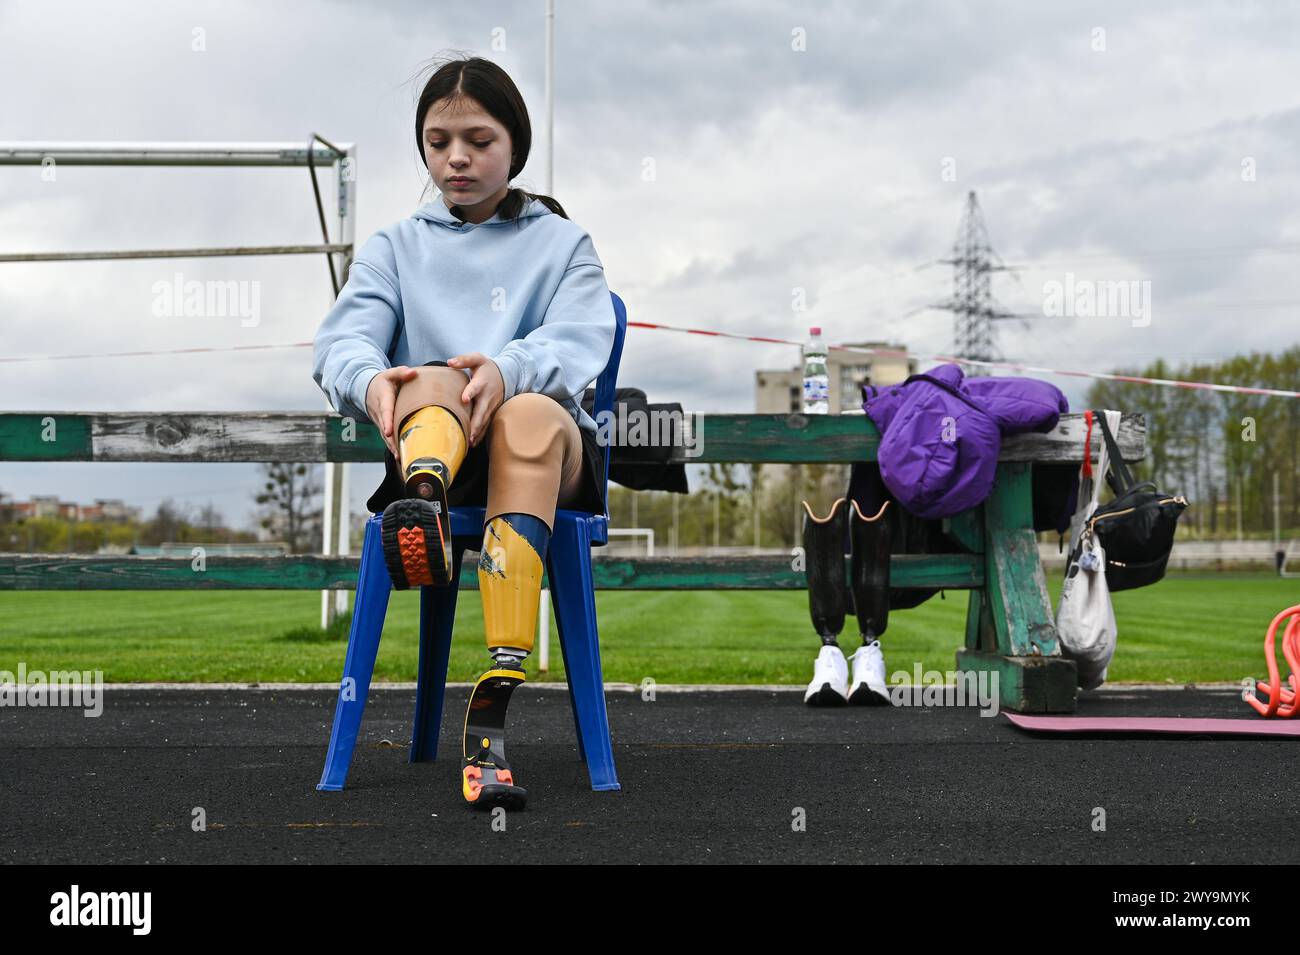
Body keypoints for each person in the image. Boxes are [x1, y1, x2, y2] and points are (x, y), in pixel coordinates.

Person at [312, 55, 617, 811]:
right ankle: (425, 505)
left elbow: (582, 338)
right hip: (437, 441)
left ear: (515, 145)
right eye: (438, 140)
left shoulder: (565, 244)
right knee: (426, 376)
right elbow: (341, 342)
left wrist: (509, 369)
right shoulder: (392, 246)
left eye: (478, 139)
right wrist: (371, 378)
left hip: (546, 456)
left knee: (530, 409)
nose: (456, 157)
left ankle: (498, 686)